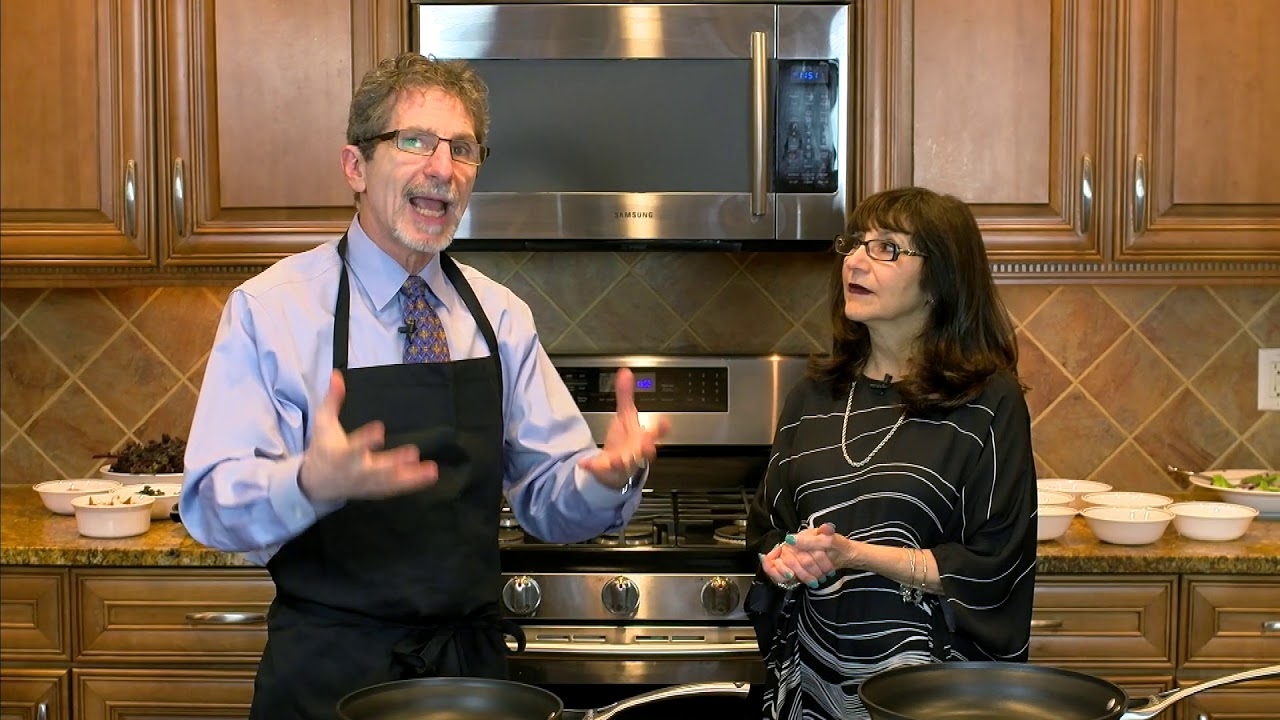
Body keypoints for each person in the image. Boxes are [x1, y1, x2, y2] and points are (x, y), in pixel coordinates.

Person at [180, 52, 669, 720]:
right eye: (414, 141)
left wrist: (606, 479)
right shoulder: (272, 311)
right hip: (326, 676)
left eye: (462, 148)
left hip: (466, 681)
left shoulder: (499, 317)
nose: (443, 168)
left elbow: (548, 500)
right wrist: (307, 483)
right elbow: (208, 506)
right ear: (355, 166)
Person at [744, 186, 1037, 719]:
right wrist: (785, 558)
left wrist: (855, 555)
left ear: (940, 279)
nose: (855, 260)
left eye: (887, 248)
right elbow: (768, 529)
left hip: (930, 696)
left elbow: (995, 565)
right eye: (855, 243)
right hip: (810, 687)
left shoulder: (988, 402)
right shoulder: (812, 396)